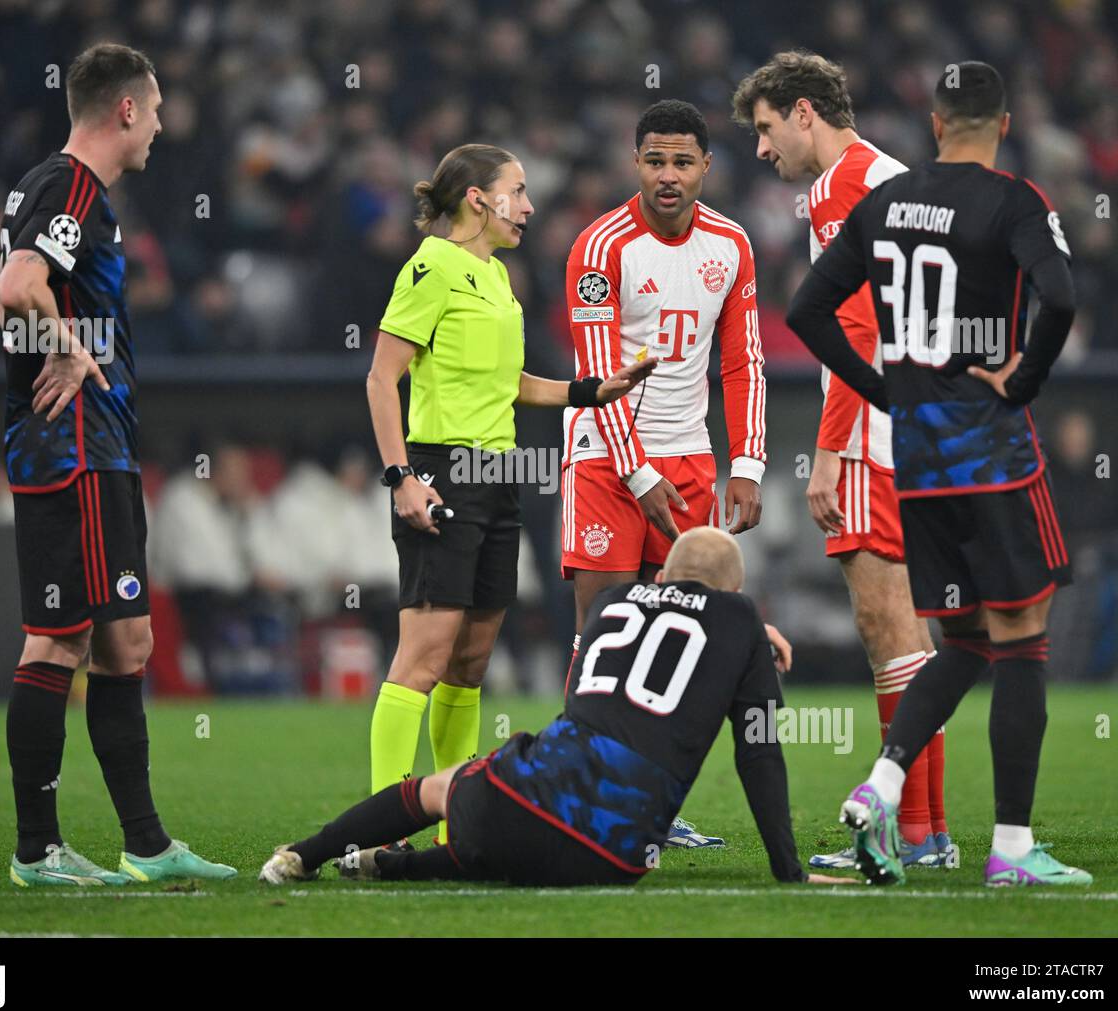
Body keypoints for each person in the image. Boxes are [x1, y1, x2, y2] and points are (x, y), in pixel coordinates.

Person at [786, 62, 1089, 886]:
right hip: (990, 450)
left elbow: (807, 311)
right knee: (1022, 641)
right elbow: (1059, 298)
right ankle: (1013, 853)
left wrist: (885, 387)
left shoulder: (884, 201)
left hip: (915, 459)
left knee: (960, 641)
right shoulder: (1015, 201)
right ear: (1005, 121)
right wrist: (1021, 380)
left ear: (933, 122)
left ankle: (883, 785)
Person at [260, 527, 845, 888]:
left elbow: (659, 634)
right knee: (541, 846)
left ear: (663, 572)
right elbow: (759, 752)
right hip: (615, 853)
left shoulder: (612, 601)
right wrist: (787, 870)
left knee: (436, 792)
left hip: (513, 803)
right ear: (736, 595)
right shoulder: (739, 620)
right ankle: (394, 868)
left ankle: (304, 856)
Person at [0, 43, 233, 885]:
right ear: (126, 109)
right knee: (62, 640)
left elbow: (24, 287)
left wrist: (54, 338)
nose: (162, 125)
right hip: (77, 446)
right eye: (157, 110)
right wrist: (63, 350)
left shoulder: (48, 186)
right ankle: (37, 849)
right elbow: (17, 286)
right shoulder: (71, 186)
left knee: (126, 640)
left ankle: (145, 845)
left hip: (93, 446)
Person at [366, 143, 654, 846]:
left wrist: (591, 391)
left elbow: (513, 384)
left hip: (499, 478)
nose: (528, 206)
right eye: (518, 192)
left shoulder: (496, 275)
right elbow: (381, 379)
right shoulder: (431, 267)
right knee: (425, 656)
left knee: (469, 660)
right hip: (441, 472)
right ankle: (376, 824)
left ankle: (449, 824)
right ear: (478, 199)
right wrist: (402, 477)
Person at [732, 51, 951, 870]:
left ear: (802, 112)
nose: (761, 151)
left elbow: (853, 326)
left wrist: (828, 453)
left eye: (764, 129)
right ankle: (928, 832)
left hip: (873, 436)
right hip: (927, 427)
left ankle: (914, 835)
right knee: (916, 638)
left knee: (886, 630)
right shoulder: (900, 173)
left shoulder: (841, 186)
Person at [558, 99, 768, 847]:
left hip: (689, 454)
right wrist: (636, 471)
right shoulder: (600, 246)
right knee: (604, 625)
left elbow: (743, 360)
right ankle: (574, 791)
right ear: (635, 164)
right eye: (655, 161)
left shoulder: (734, 244)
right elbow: (595, 374)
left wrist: (746, 461)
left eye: (683, 162)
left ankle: (655, 800)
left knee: (679, 634)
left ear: (707, 166)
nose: (669, 176)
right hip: (604, 457)